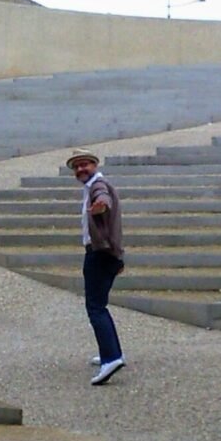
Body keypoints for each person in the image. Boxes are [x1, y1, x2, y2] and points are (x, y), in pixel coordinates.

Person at [67, 149, 126, 384]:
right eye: (77, 166)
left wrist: (101, 205)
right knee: (100, 306)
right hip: (107, 253)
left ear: (94, 165)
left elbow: (104, 200)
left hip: (100, 253)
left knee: (95, 307)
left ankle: (111, 358)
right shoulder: (92, 186)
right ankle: (110, 352)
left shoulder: (98, 186)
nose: (81, 169)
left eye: (85, 165)